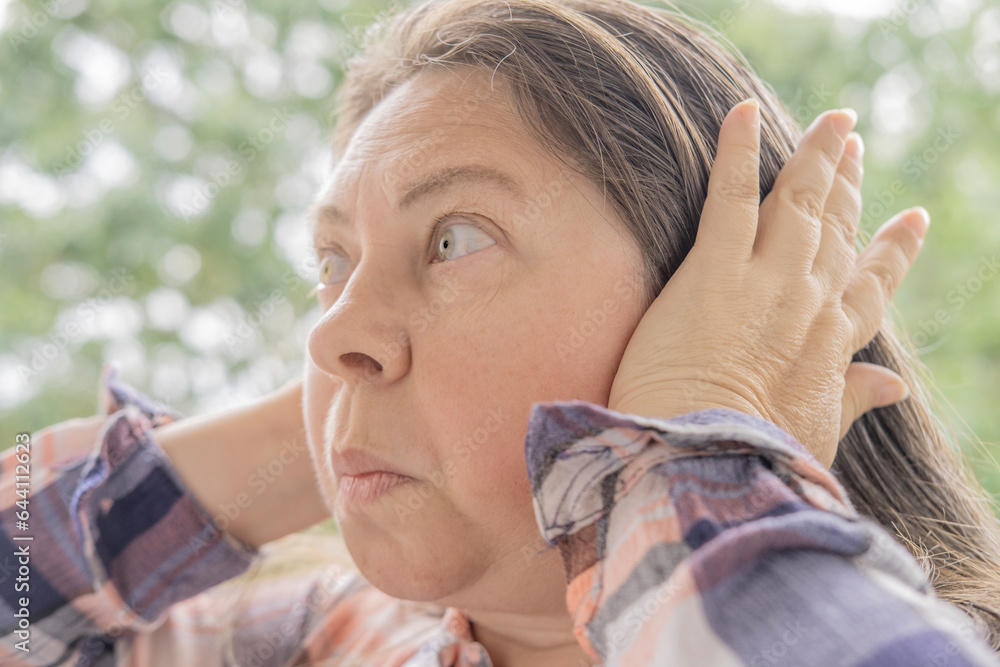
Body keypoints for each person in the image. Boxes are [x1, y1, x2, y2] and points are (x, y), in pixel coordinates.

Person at [3, 0, 999, 665]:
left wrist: (705, 418)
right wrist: (320, 437)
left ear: (714, 300)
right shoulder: (316, 637)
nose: (330, 330)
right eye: (334, 262)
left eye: (454, 238)